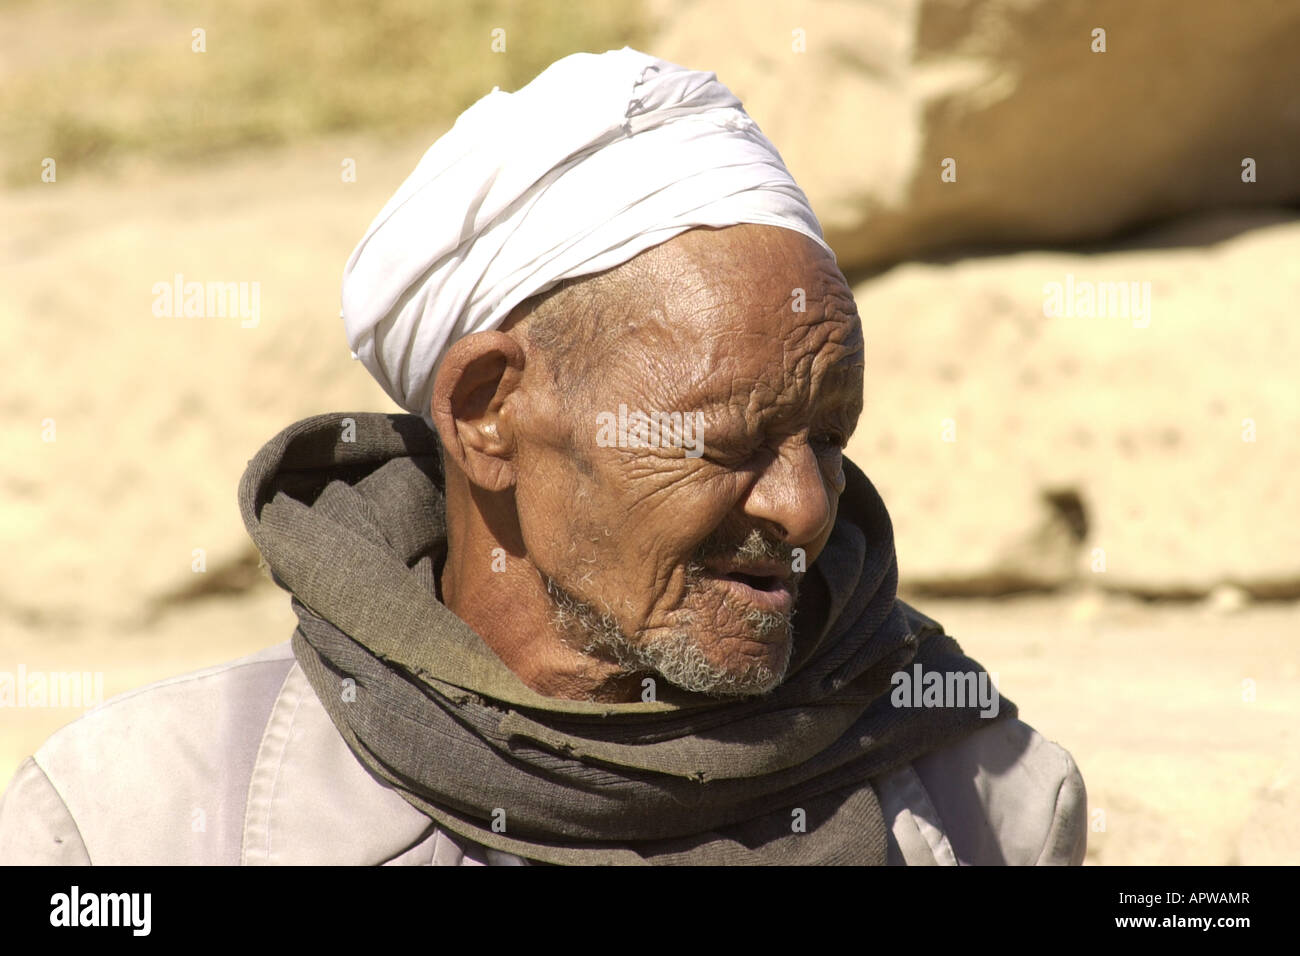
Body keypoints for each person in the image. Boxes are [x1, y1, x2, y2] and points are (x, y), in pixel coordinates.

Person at [0, 48, 1085, 865]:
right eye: (725, 440)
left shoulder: (987, 800)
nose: (806, 507)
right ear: (487, 412)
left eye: (828, 437)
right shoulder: (132, 819)